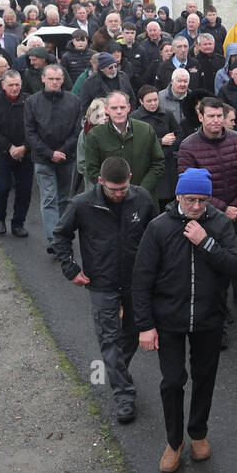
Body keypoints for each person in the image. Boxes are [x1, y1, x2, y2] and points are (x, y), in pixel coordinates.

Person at [135, 168, 237, 472]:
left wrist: (205, 242)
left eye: (202, 200)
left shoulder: (220, 224)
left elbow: (236, 267)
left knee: (204, 378)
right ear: (179, 196)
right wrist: (145, 325)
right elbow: (141, 279)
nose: (196, 206)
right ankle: (174, 442)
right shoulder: (159, 227)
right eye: (190, 199)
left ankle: (198, 433)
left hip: (209, 320)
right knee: (172, 381)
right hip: (169, 320)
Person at [54, 156, 157, 425]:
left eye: (123, 188)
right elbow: (60, 235)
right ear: (100, 182)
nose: (119, 194)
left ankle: (117, 371)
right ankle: (124, 394)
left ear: (130, 179)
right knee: (109, 338)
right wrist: (71, 268)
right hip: (101, 283)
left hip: (137, 283)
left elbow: (157, 236)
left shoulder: (143, 199)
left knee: (133, 333)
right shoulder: (82, 204)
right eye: (113, 189)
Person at [176, 97, 237, 321]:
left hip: (235, 210)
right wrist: (223, 209)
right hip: (206, 215)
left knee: (235, 254)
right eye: (211, 116)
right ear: (201, 117)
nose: (216, 120)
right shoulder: (188, 146)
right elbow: (188, 187)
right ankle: (220, 314)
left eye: (219, 116)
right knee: (212, 262)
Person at [25, 64, 84, 255]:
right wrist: (51, 153)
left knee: (65, 199)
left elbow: (78, 131)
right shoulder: (32, 102)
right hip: (43, 158)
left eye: (58, 79)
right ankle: (54, 239)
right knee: (49, 198)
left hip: (67, 157)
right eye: (51, 78)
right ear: (43, 79)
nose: (55, 82)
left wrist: (62, 152)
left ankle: (62, 234)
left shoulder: (74, 101)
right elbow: (30, 133)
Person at [0, 70, 33, 237]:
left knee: (24, 190)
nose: (14, 88)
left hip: (26, 154)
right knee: (2, 188)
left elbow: (36, 128)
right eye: (11, 85)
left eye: (17, 84)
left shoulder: (30, 101)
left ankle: (18, 223)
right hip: (1, 154)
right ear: (3, 85)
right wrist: (9, 147)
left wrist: (24, 147)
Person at [81, 91, 164, 192]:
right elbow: (92, 169)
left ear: (128, 108)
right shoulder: (95, 135)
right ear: (107, 109)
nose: (119, 111)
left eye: (122, 107)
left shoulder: (146, 130)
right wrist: (114, 190)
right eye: (114, 108)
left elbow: (158, 163)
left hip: (144, 198)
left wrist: (142, 189)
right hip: (110, 199)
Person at [132, 85, 186, 210]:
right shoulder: (135, 117)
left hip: (168, 162)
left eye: (156, 100)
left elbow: (179, 135)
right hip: (147, 163)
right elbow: (136, 142)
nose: (153, 104)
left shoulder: (166, 114)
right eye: (149, 101)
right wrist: (161, 141)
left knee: (169, 199)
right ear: (141, 101)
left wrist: (169, 147)